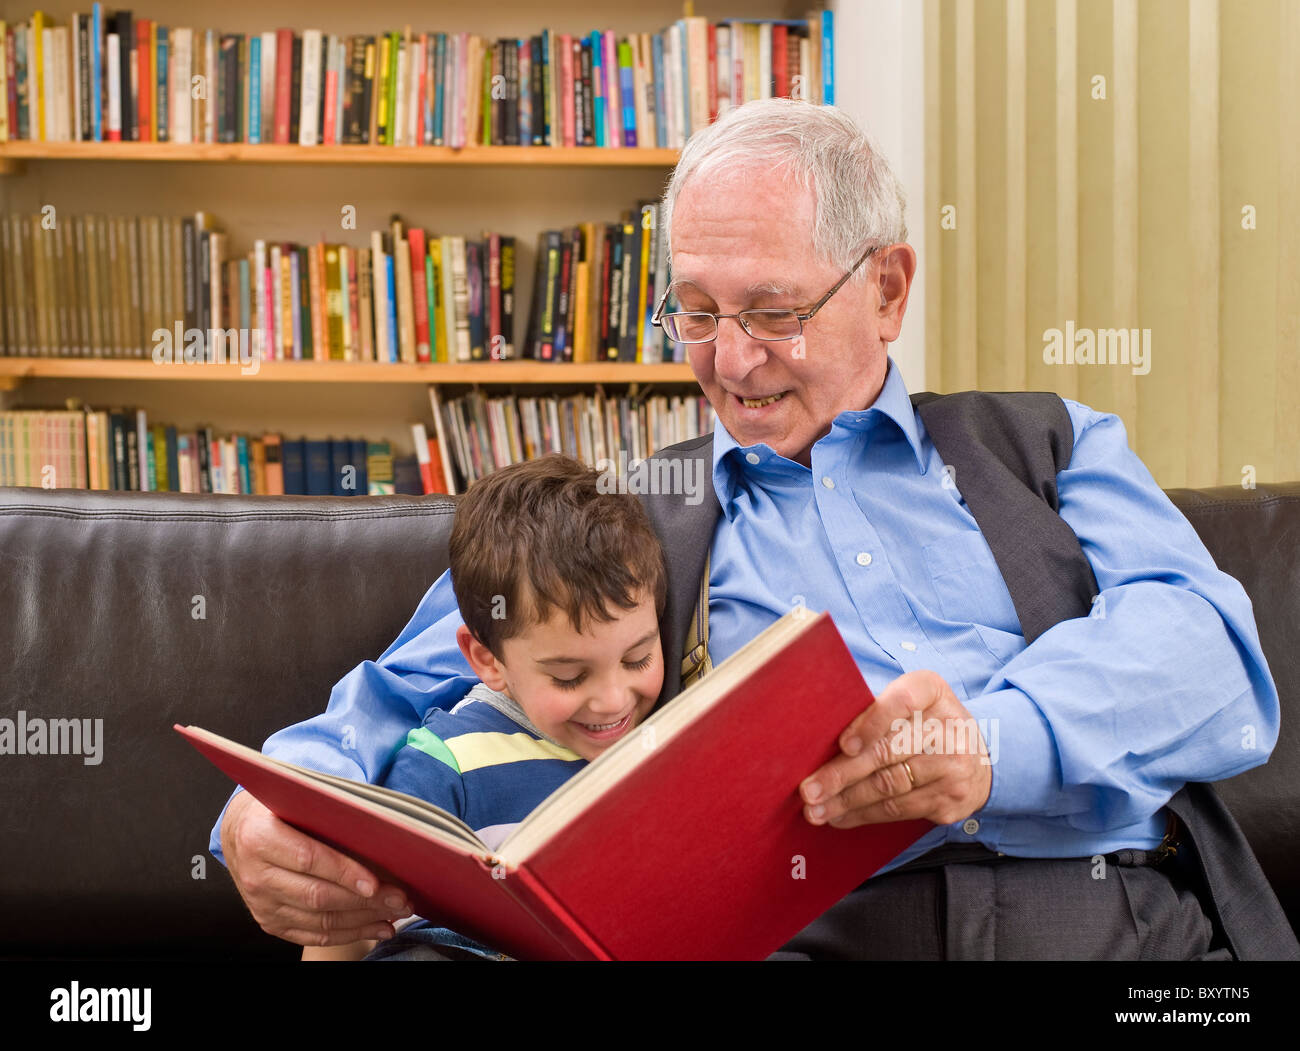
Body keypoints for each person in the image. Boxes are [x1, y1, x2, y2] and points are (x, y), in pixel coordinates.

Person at [212, 97, 1294, 960]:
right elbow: (405, 689)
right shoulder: (617, 515)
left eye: (774, 313)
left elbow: (1208, 658)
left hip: (1113, 921)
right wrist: (263, 817)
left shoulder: (1050, 445)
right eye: (694, 311)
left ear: (886, 287)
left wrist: (989, 744)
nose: (728, 362)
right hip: (800, 934)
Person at [301, 454, 667, 960]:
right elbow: (350, 915)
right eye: (568, 676)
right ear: (486, 659)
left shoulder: (667, 740)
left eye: (638, 657)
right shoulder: (445, 760)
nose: (613, 700)